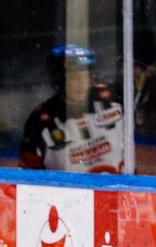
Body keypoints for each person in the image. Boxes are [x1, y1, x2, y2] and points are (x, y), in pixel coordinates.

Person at [19, 44, 124, 173]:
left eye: (85, 75)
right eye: (73, 77)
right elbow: (28, 174)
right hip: (66, 192)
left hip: (118, 190)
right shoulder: (41, 120)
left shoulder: (113, 102)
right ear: (60, 80)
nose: (81, 82)